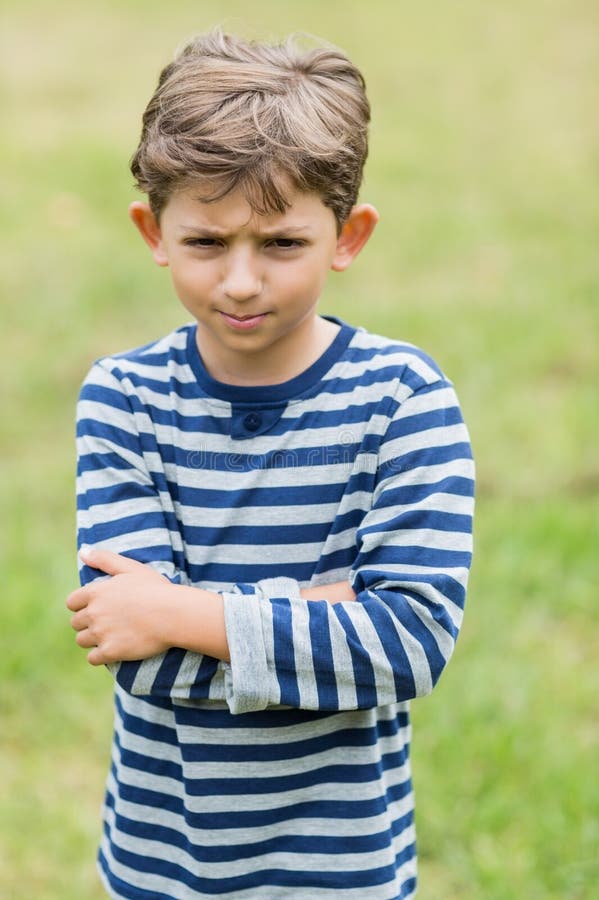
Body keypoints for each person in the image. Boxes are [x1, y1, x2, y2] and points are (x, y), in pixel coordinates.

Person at [66, 29, 475, 900]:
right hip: (162, 861)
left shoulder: (402, 398)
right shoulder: (125, 399)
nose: (242, 281)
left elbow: (407, 647)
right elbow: (138, 655)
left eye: (281, 244)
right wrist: (320, 616)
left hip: (343, 869)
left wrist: (179, 609)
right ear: (154, 231)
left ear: (347, 235)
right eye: (207, 242)